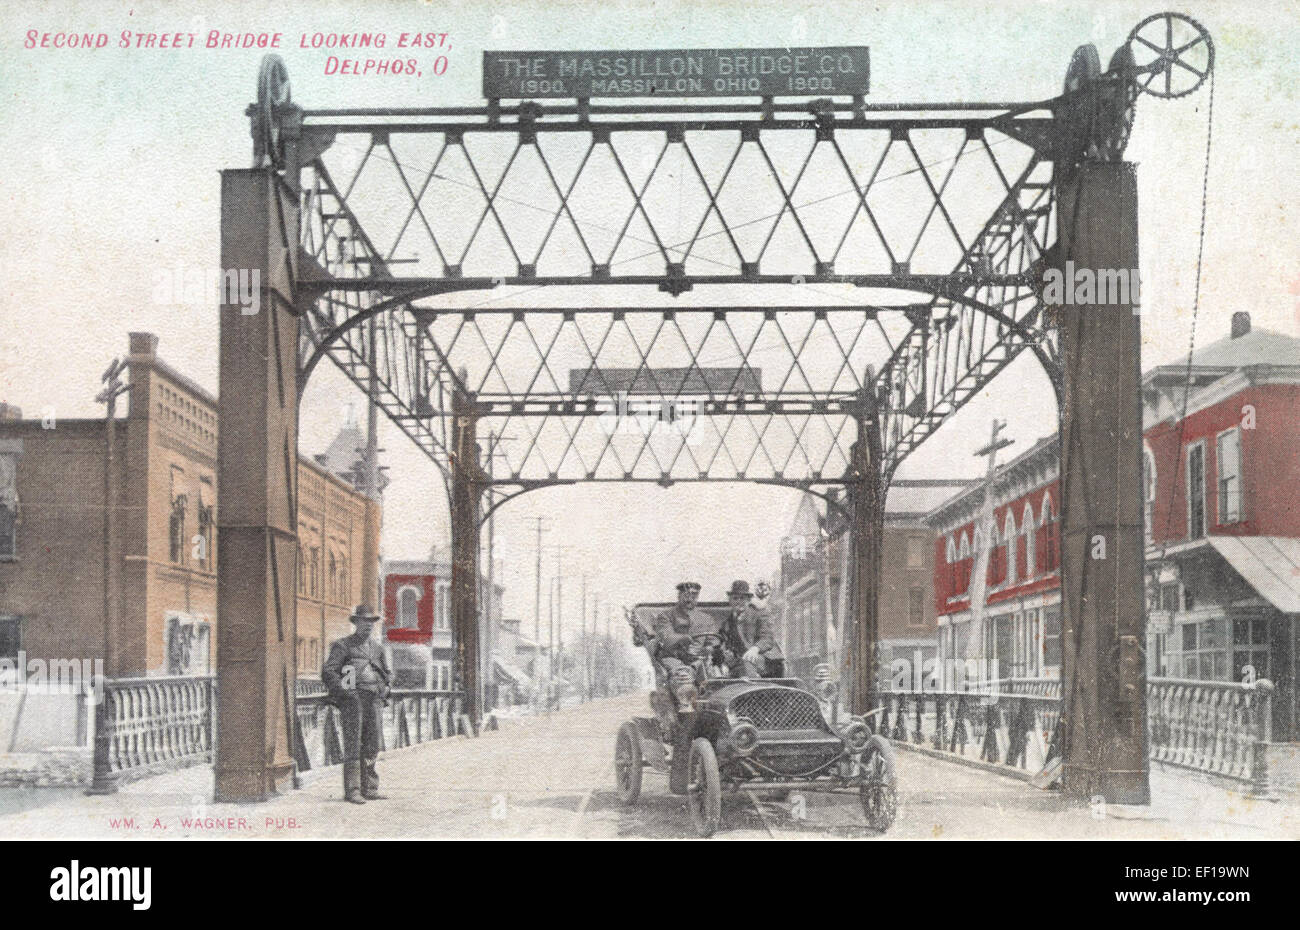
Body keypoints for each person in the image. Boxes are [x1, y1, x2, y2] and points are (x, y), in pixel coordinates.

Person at [322, 604, 393, 804]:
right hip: (354, 701)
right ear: (356, 623)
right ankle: (352, 790)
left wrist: (386, 687)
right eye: (364, 622)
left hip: (374, 700)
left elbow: (387, 672)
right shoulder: (343, 646)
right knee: (353, 744)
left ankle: (369, 787)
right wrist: (344, 692)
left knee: (372, 744)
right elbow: (329, 672)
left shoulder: (378, 648)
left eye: (371, 622)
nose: (368, 626)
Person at [652, 581, 718, 710]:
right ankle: (686, 708)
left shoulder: (706, 619)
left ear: (697, 597)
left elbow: (713, 642)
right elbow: (666, 639)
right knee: (683, 676)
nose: (689, 598)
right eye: (686, 595)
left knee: (719, 677)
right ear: (679, 596)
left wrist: (707, 649)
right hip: (674, 658)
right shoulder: (666, 616)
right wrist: (684, 638)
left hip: (700, 661)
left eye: (694, 595)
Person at [719, 580, 785, 678]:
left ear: (748, 600)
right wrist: (724, 661)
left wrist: (755, 649)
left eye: (742, 598)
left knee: (747, 661)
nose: (738, 601)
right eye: (735, 598)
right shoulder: (727, 623)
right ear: (730, 600)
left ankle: (752, 692)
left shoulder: (759, 615)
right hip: (743, 662)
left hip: (767, 660)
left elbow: (767, 639)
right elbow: (724, 644)